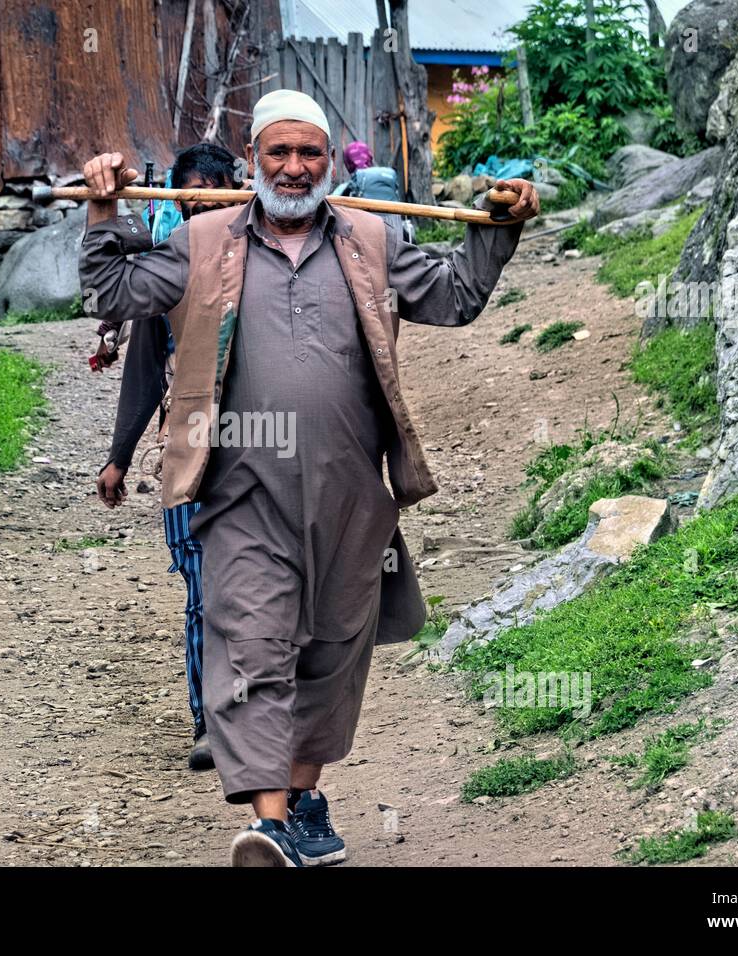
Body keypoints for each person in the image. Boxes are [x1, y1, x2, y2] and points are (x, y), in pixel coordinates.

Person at [79, 89, 537, 866]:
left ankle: (298, 803)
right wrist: (103, 212)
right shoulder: (200, 240)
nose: (294, 169)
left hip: (352, 492)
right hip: (239, 493)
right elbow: (110, 293)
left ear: (330, 161)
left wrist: (502, 228)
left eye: (309, 154)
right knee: (249, 644)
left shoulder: (372, 237)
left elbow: (456, 298)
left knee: (329, 654)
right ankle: (270, 820)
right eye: (278, 154)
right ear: (252, 160)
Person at [94, 143, 244, 772]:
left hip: (259, 451)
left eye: (211, 190)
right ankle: (209, 720)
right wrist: (118, 457)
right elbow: (143, 372)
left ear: (237, 189)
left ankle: (257, 714)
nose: (198, 202)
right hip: (186, 451)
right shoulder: (170, 268)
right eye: (187, 194)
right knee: (204, 590)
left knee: (259, 589)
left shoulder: (264, 262)